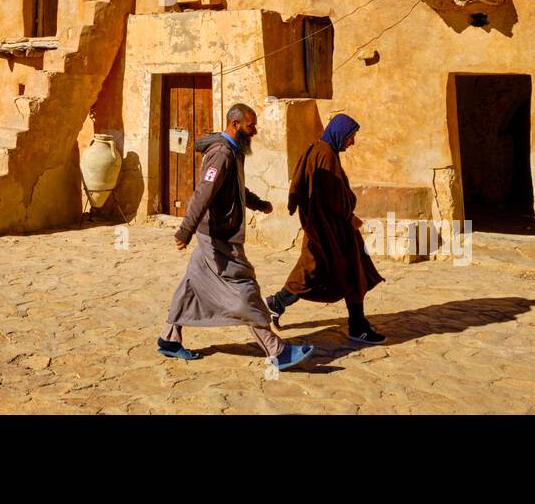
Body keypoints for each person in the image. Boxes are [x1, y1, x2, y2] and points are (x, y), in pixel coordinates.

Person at [158, 103, 314, 371]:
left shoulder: (233, 151)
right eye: (250, 125)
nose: (254, 131)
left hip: (216, 235)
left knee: (191, 284)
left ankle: (169, 339)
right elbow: (203, 192)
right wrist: (185, 229)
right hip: (218, 237)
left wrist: (256, 203)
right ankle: (277, 351)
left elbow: (234, 187)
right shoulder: (221, 153)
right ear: (235, 124)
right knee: (245, 290)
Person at [265, 113, 386, 344]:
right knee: (325, 270)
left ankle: (278, 302)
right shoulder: (326, 156)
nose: (352, 142)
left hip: (326, 227)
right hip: (331, 229)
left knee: (330, 270)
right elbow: (333, 197)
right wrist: (348, 217)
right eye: (351, 137)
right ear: (340, 133)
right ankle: (357, 326)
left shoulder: (320, 150)